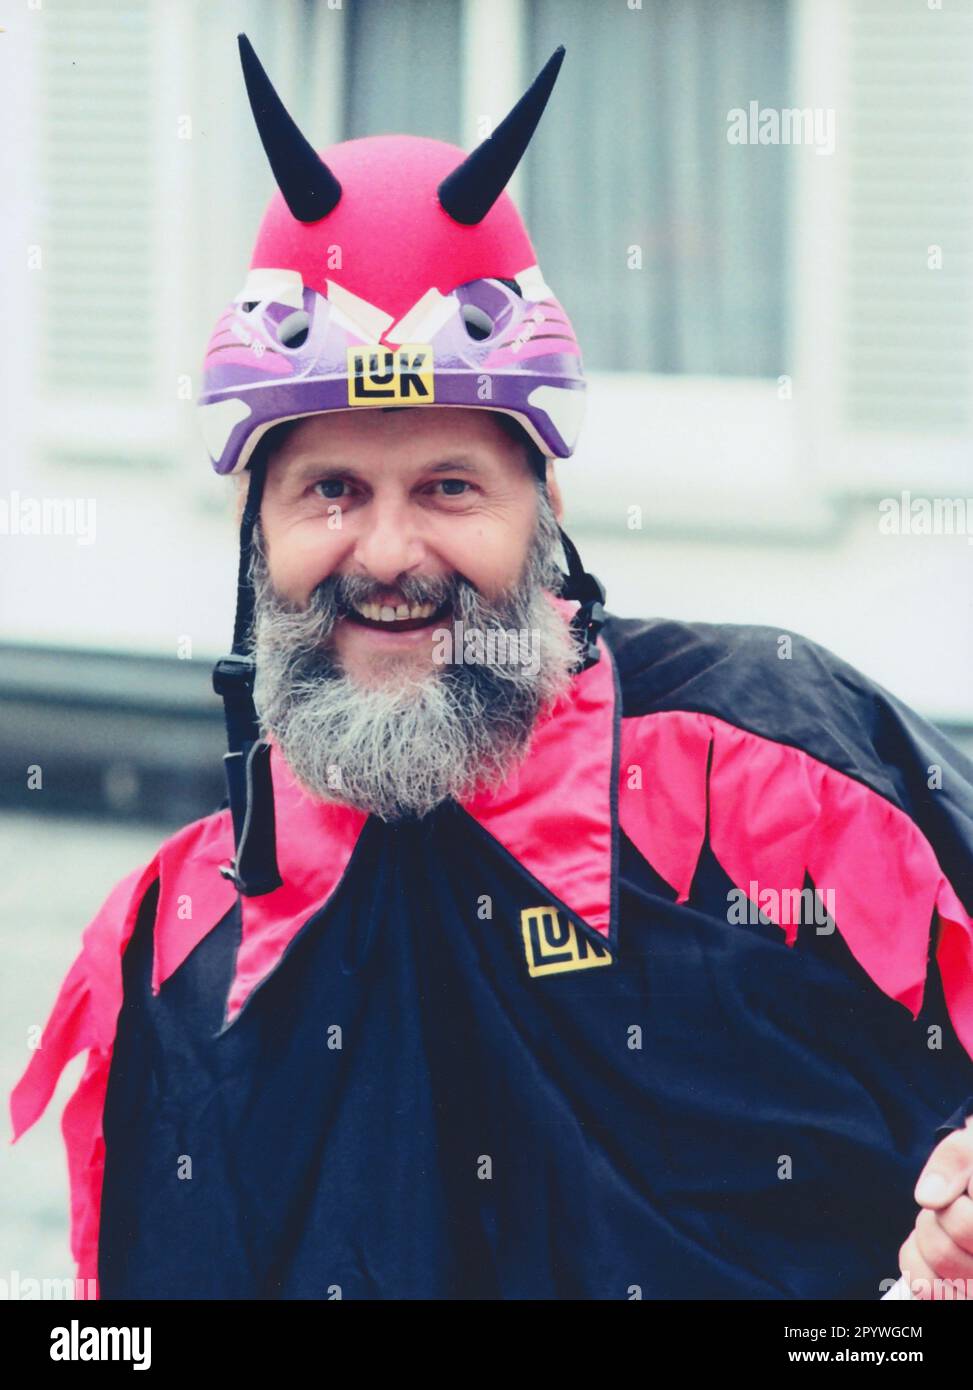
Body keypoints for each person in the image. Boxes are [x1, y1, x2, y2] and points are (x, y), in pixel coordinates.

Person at [10, 34, 973, 1303]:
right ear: (260, 531)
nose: (391, 554)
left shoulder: (784, 777)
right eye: (332, 491)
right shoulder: (176, 941)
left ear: (546, 506)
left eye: (450, 487)